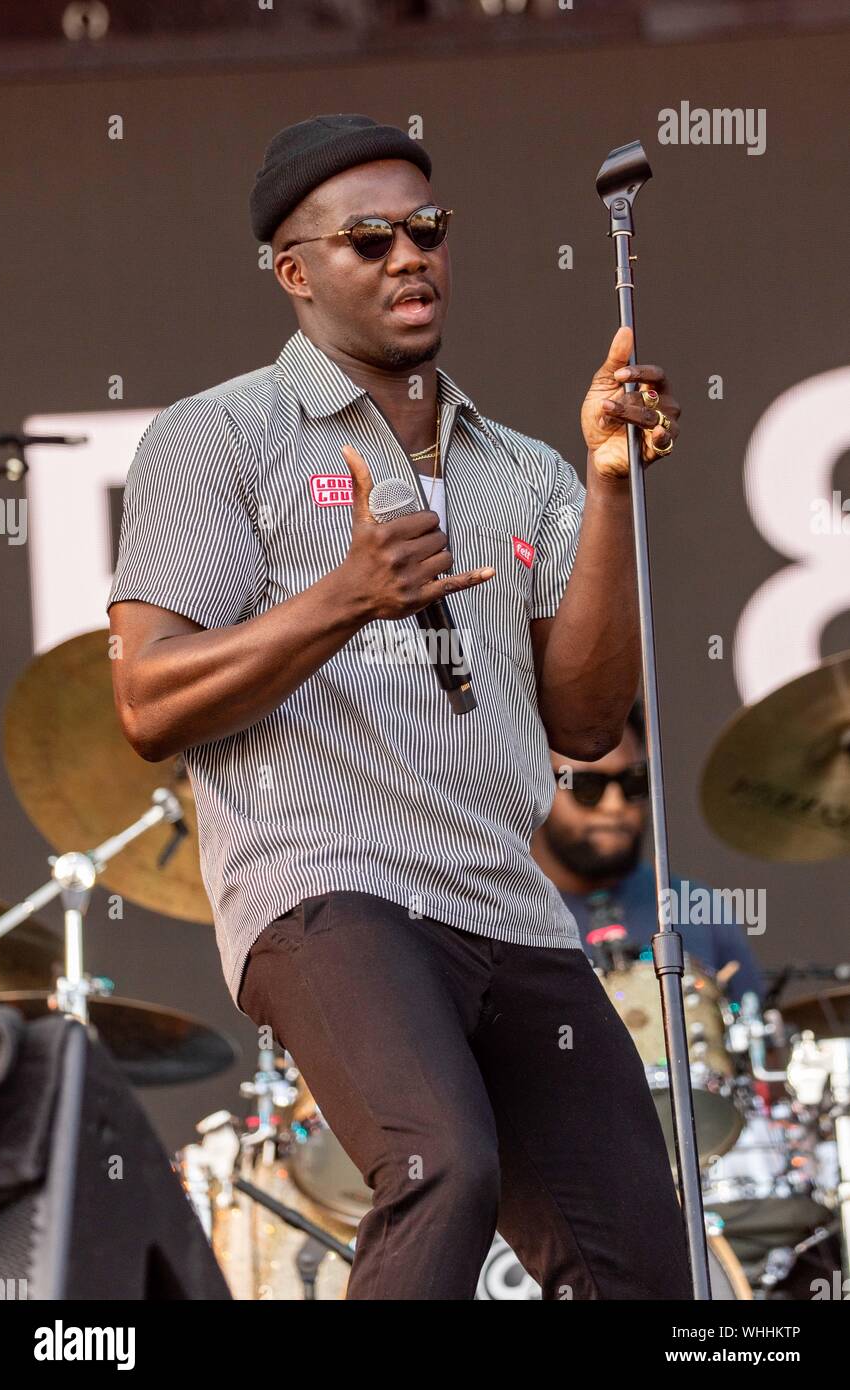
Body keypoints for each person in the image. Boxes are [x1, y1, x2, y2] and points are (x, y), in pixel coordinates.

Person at [108, 114, 691, 1300]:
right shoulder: (218, 436)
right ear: (293, 271)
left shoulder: (522, 468)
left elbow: (582, 723)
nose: (406, 258)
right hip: (326, 885)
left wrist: (607, 486)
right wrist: (344, 598)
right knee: (442, 1161)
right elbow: (146, 700)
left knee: (638, 1261)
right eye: (365, 240)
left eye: (424, 230)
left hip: (505, 901)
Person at [531, 700, 764, 1004]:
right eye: (586, 785)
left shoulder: (696, 907)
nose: (614, 806)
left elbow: (759, 1041)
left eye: (632, 782)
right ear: (536, 782)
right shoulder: (502, 910)